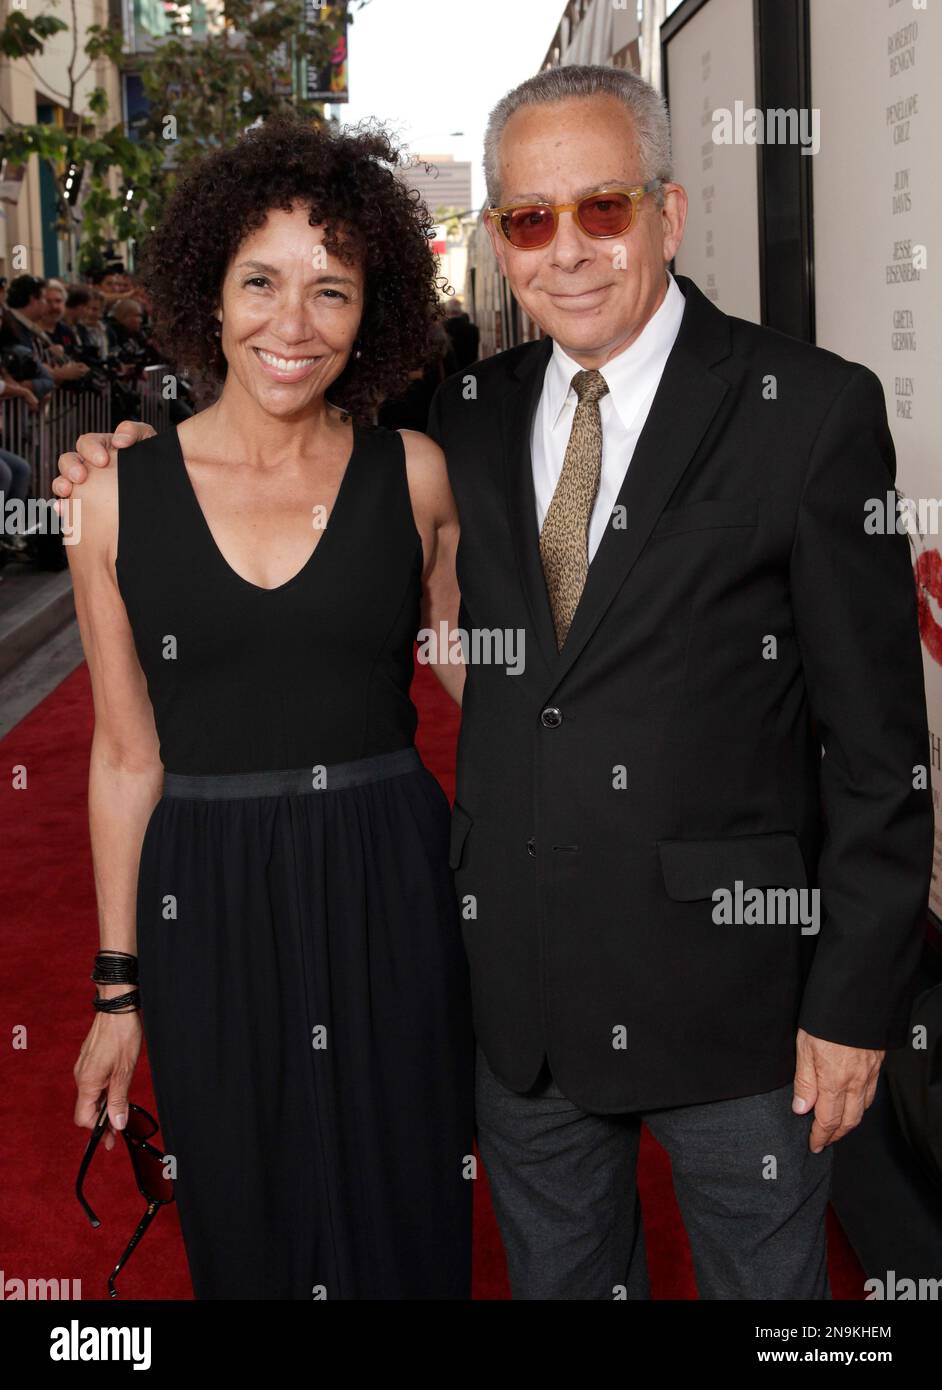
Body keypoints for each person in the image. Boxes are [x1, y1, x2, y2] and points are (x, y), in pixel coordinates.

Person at [55, 65, 933, 1303]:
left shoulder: (809, 410)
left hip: (741, 1005)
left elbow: (879, 746)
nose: (566, 251)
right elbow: (476, 653)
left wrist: (851, 1003)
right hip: (515, 1004)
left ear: (668, 215)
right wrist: (119, 463)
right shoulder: (468, 418)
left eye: (603, 210)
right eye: (527, 219)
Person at [58, 113, 474, 1299]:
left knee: (406, 1211)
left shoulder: (419, 475)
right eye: (261, 282)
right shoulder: (112, 502)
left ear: (374, 310)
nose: (292, 325)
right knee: (244, 1222)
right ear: (208, 290)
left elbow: (492, 686)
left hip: (393, 878)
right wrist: (117, 986)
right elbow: (127, 756)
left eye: (331, 291)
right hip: (206, 894)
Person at [443, 297, 480, 369]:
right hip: (469, 371)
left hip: (451, 375)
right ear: (460, 310)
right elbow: (474, 355)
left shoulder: (443, 328)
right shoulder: (473, 329)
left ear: (447, 311)